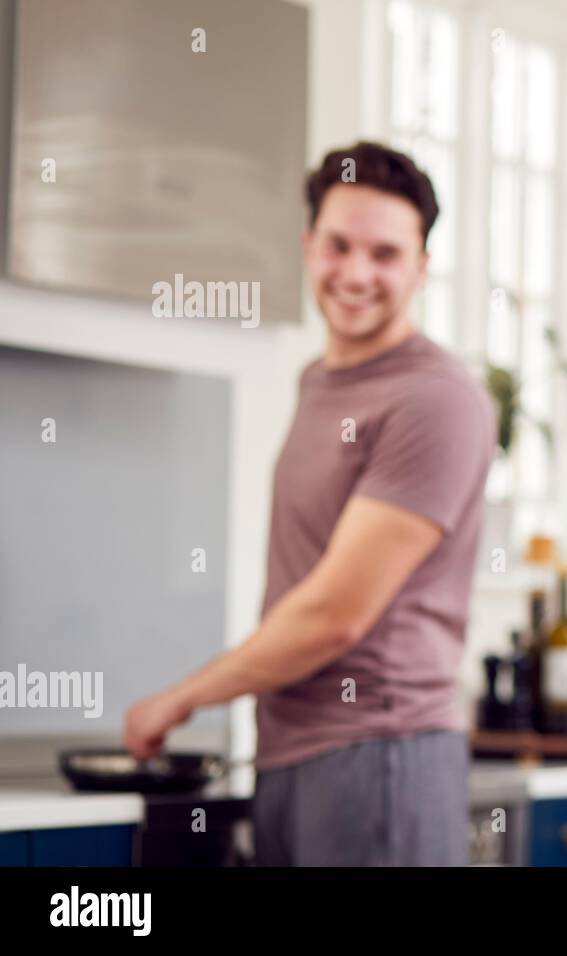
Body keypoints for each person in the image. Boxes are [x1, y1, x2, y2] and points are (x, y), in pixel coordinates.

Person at [124, 142, 497, 866]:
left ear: (421, 266)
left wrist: (182, 698)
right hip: (294, 753)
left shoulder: (436, 399)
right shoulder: (316, 382)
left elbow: (335, 614)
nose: (357, 274)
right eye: (339, 246)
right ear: (308, 247)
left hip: (381, 754)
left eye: (386, 254)